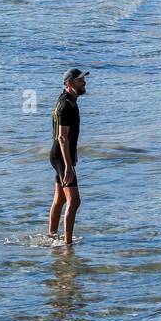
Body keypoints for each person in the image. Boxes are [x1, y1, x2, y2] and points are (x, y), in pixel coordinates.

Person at [47, 69, 88, 245]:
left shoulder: (69, 100)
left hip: (60, 155)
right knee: (75, 201)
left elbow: (70, 135)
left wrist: (75, 151)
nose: (84, 83)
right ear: (69, 84)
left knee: (60, 198)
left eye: (83, 80)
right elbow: (62, 137)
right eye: (80, 81)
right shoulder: (66, 105)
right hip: (61, 157)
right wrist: (69, 166)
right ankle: (67, 245)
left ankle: (52, 235)